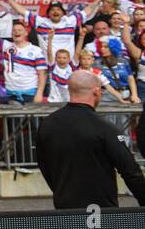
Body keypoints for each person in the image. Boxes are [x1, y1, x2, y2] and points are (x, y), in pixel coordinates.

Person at [34, 70, 145, 208]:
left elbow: (44, 165)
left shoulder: (47, 125)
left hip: (65, 208)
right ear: (97, 91)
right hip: (100, 211)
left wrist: (59, 189)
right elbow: (130, 170)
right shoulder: (104, 127)